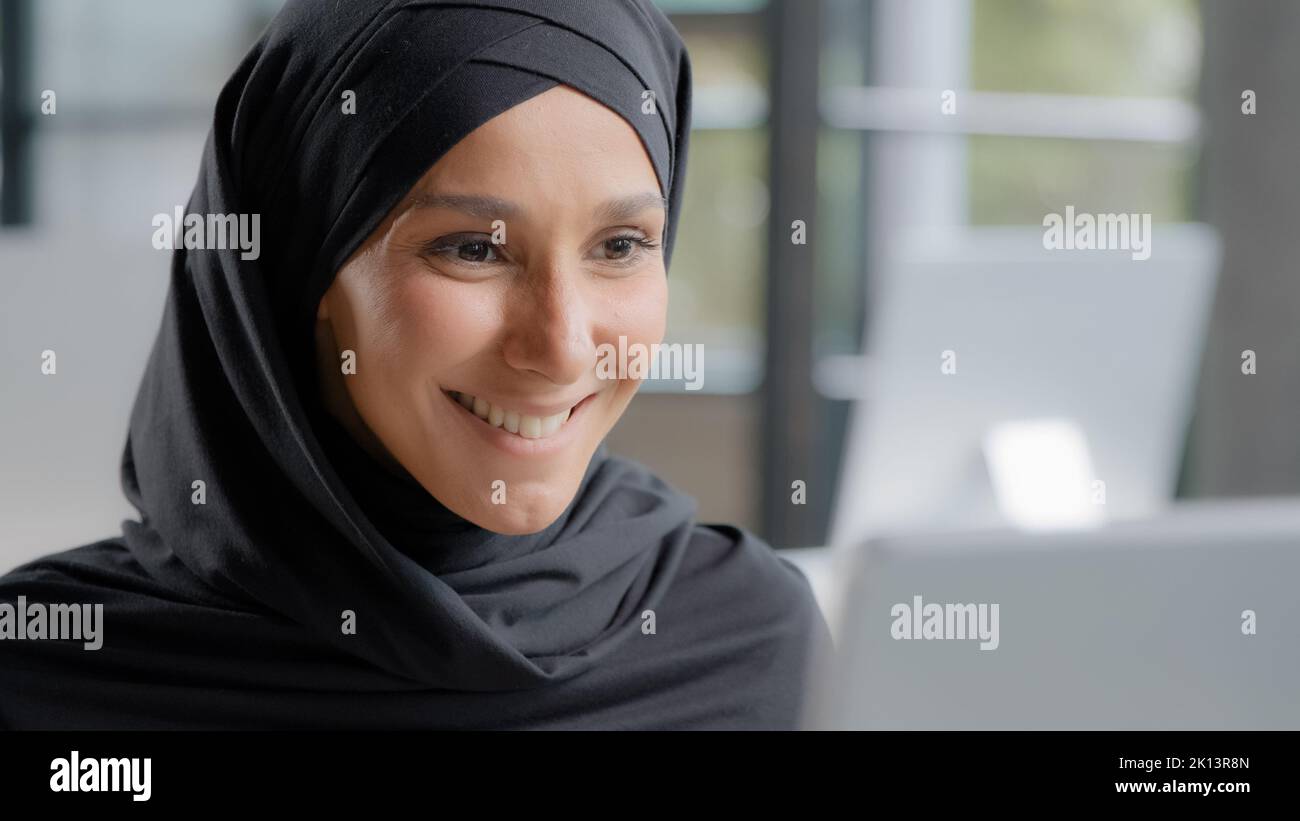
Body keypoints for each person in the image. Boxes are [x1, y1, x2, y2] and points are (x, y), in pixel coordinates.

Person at [0, 0, 831, 730]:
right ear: (301, 268)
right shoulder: (47, 670)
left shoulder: (750, 642)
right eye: (473, 249)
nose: (565, 345)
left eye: (620, 245)